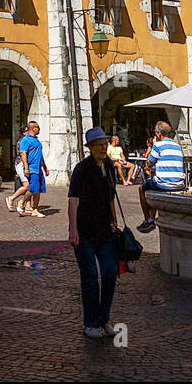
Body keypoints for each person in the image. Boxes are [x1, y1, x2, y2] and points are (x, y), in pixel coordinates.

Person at [68, 126, 121, 339]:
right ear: (90, 147)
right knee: (90, 277)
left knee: (109, 272)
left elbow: (110, 198)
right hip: (84, 231)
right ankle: (90, 323)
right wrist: (73, 230)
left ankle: (105, 319)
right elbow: (73, 201)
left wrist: (114, 221)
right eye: (99, 145)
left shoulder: (108, 166)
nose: (103, 147)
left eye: (105, 144)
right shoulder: (82, 169)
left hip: (105, 230)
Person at [137, 121, 184, 232]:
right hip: (179, 184)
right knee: (153, 184)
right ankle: (152, 218)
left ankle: (147, 219)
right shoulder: (178, 146)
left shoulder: (158, 145)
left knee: (141, 188)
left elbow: (149, 163)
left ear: (158, 134)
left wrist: (153, 145)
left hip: (164, 184)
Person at [21, 120, 48, 218]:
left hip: (38, 168)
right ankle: (21, 202)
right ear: (33, 128)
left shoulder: (36, 140)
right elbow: (23, 154)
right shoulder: (25, 140)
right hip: (32, 168)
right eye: (38, 127)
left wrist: (45, 167)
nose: (39, 129)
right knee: (33, 188)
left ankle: (35, 209)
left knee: (38, 190)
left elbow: (40, 155)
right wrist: (26, 168)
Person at [6, 125, 32, 214]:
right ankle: (11, 198)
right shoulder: (22, 141)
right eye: (26, 131)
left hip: (26, 164)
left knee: (30, 185)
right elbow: (23, 154)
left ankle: (28, 206)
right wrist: (26, 167)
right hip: (21, 164)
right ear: (23, 133)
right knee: (27, 185)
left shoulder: (27, 140)